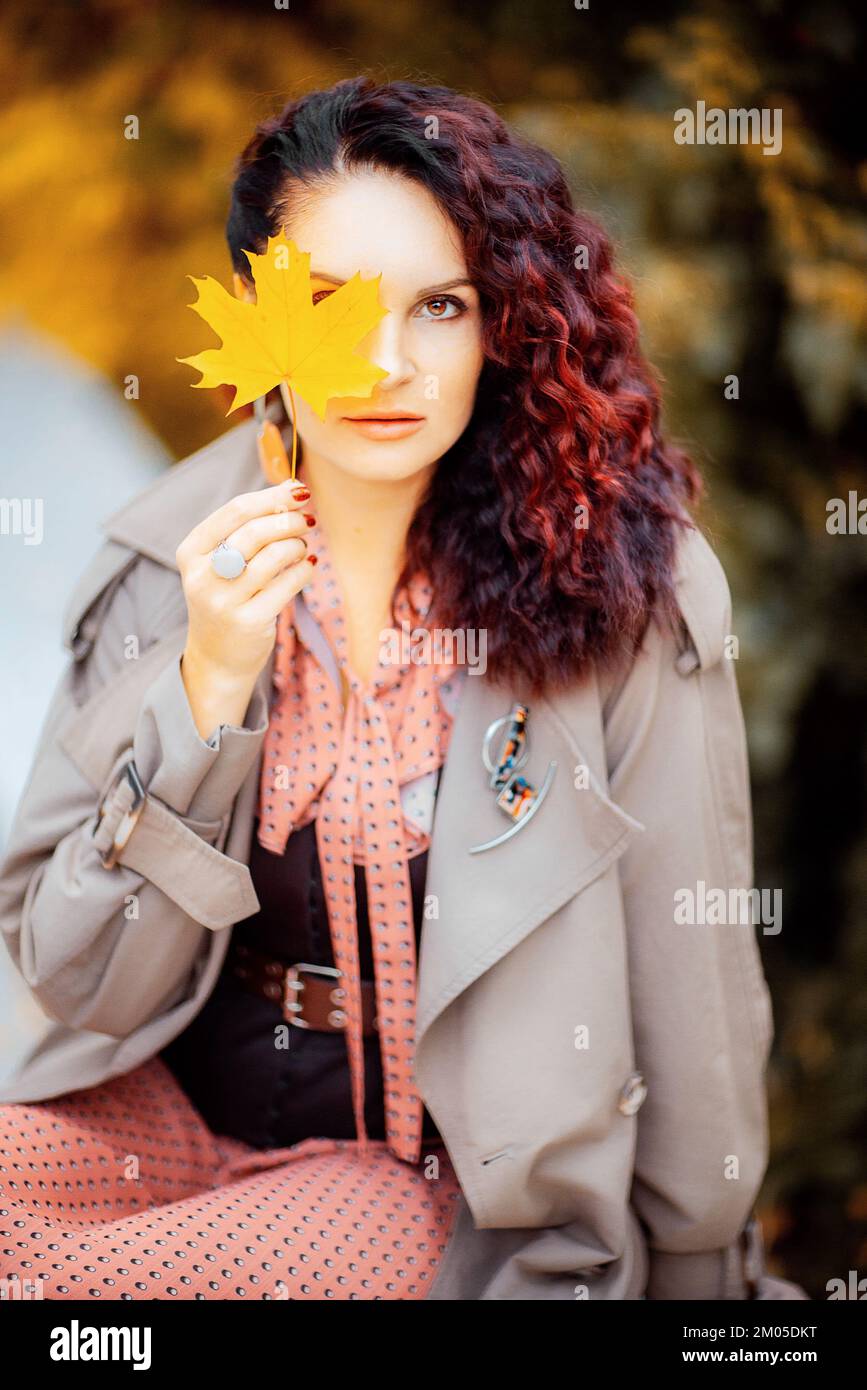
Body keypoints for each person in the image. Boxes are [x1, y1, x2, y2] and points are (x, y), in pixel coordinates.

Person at [0, 75, 807, 1301]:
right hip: (177, 1119)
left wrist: (704, 1280)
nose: (384, 363)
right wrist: (205, 687)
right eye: (330, 303)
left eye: (440, 305)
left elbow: (687, 978)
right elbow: (68, 971)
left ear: (505, 323)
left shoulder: (622, 583)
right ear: (260, 312)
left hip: (441, 1184)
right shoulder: (169, 565)